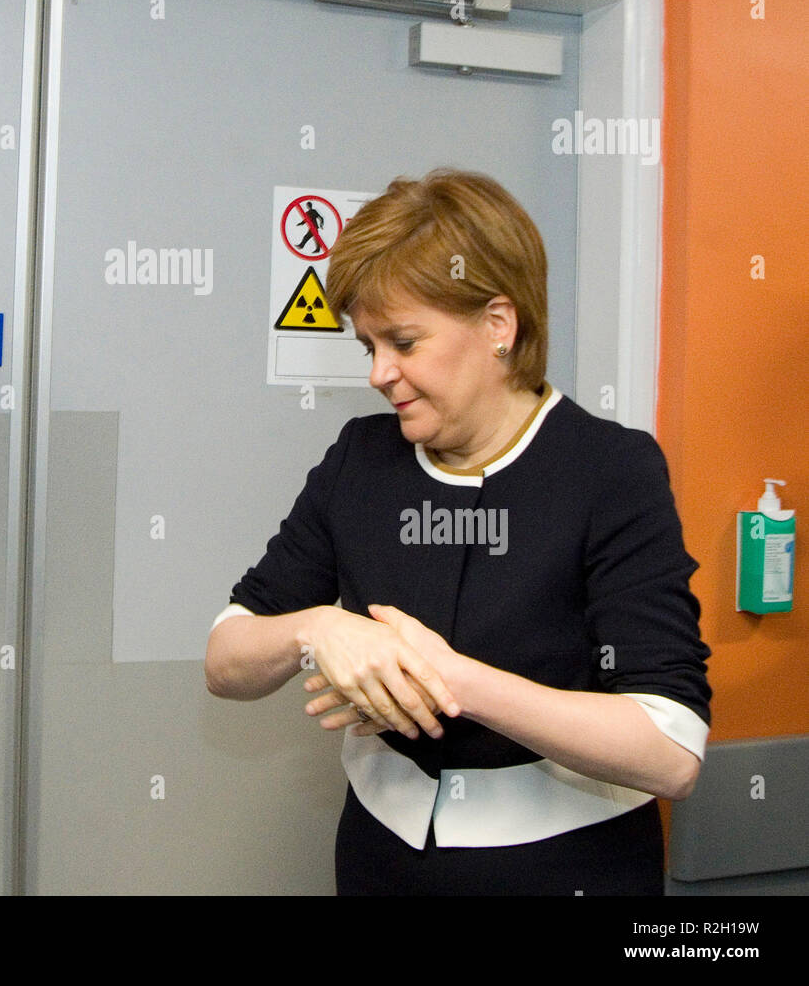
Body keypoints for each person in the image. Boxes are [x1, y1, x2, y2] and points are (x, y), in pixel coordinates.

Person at [205, 168, 710, 895]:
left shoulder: (609, 471)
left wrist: (450, 680)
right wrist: (317, 629)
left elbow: (670, 749)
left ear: (498, 326)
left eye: (404, 342)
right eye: (367, 346)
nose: (380, 372)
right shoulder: (361, 460)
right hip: (381, 857)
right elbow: (226, 659)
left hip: (565, 869)